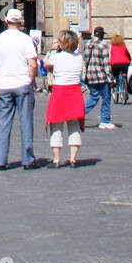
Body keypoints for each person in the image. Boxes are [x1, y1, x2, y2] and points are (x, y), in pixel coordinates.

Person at [0, 8, 40, 171]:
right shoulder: (26, 39)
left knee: (3, 123)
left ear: (6, 21)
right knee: (26, 123)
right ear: (21, 22)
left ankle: (1, 161)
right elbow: (32, 64)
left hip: (4, 86)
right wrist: (30, 80)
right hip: (23, 84)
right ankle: (28, 160)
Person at [44, 31, 85, 166]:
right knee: (74, 126)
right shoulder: (79, 57)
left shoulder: (56, 56)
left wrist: (47, 61)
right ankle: (73, 158)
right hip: (75, 92)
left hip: (60, 92)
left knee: (56, 126)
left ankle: (56, 159)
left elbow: (47, 65)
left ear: (62, 44)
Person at [82, 26, 114, 129]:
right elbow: (105, 63)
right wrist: (110, 77)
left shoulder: (87, 44)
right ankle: (105, 120)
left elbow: (85, 59)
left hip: (90, 75)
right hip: (101, 75)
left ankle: (79, 113)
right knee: (106, 98)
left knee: (93, 97)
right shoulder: (103, 45)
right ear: (101, 35)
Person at [109, 33, 132, 102]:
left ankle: (115, 83)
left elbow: (109, 55)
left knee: (114, 74)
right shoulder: (123, 46)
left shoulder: (111, 47)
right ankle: (125, 90)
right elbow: (128, 54)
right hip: (125, 63)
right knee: (125, 75)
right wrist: (129, 60)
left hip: (115, 64)